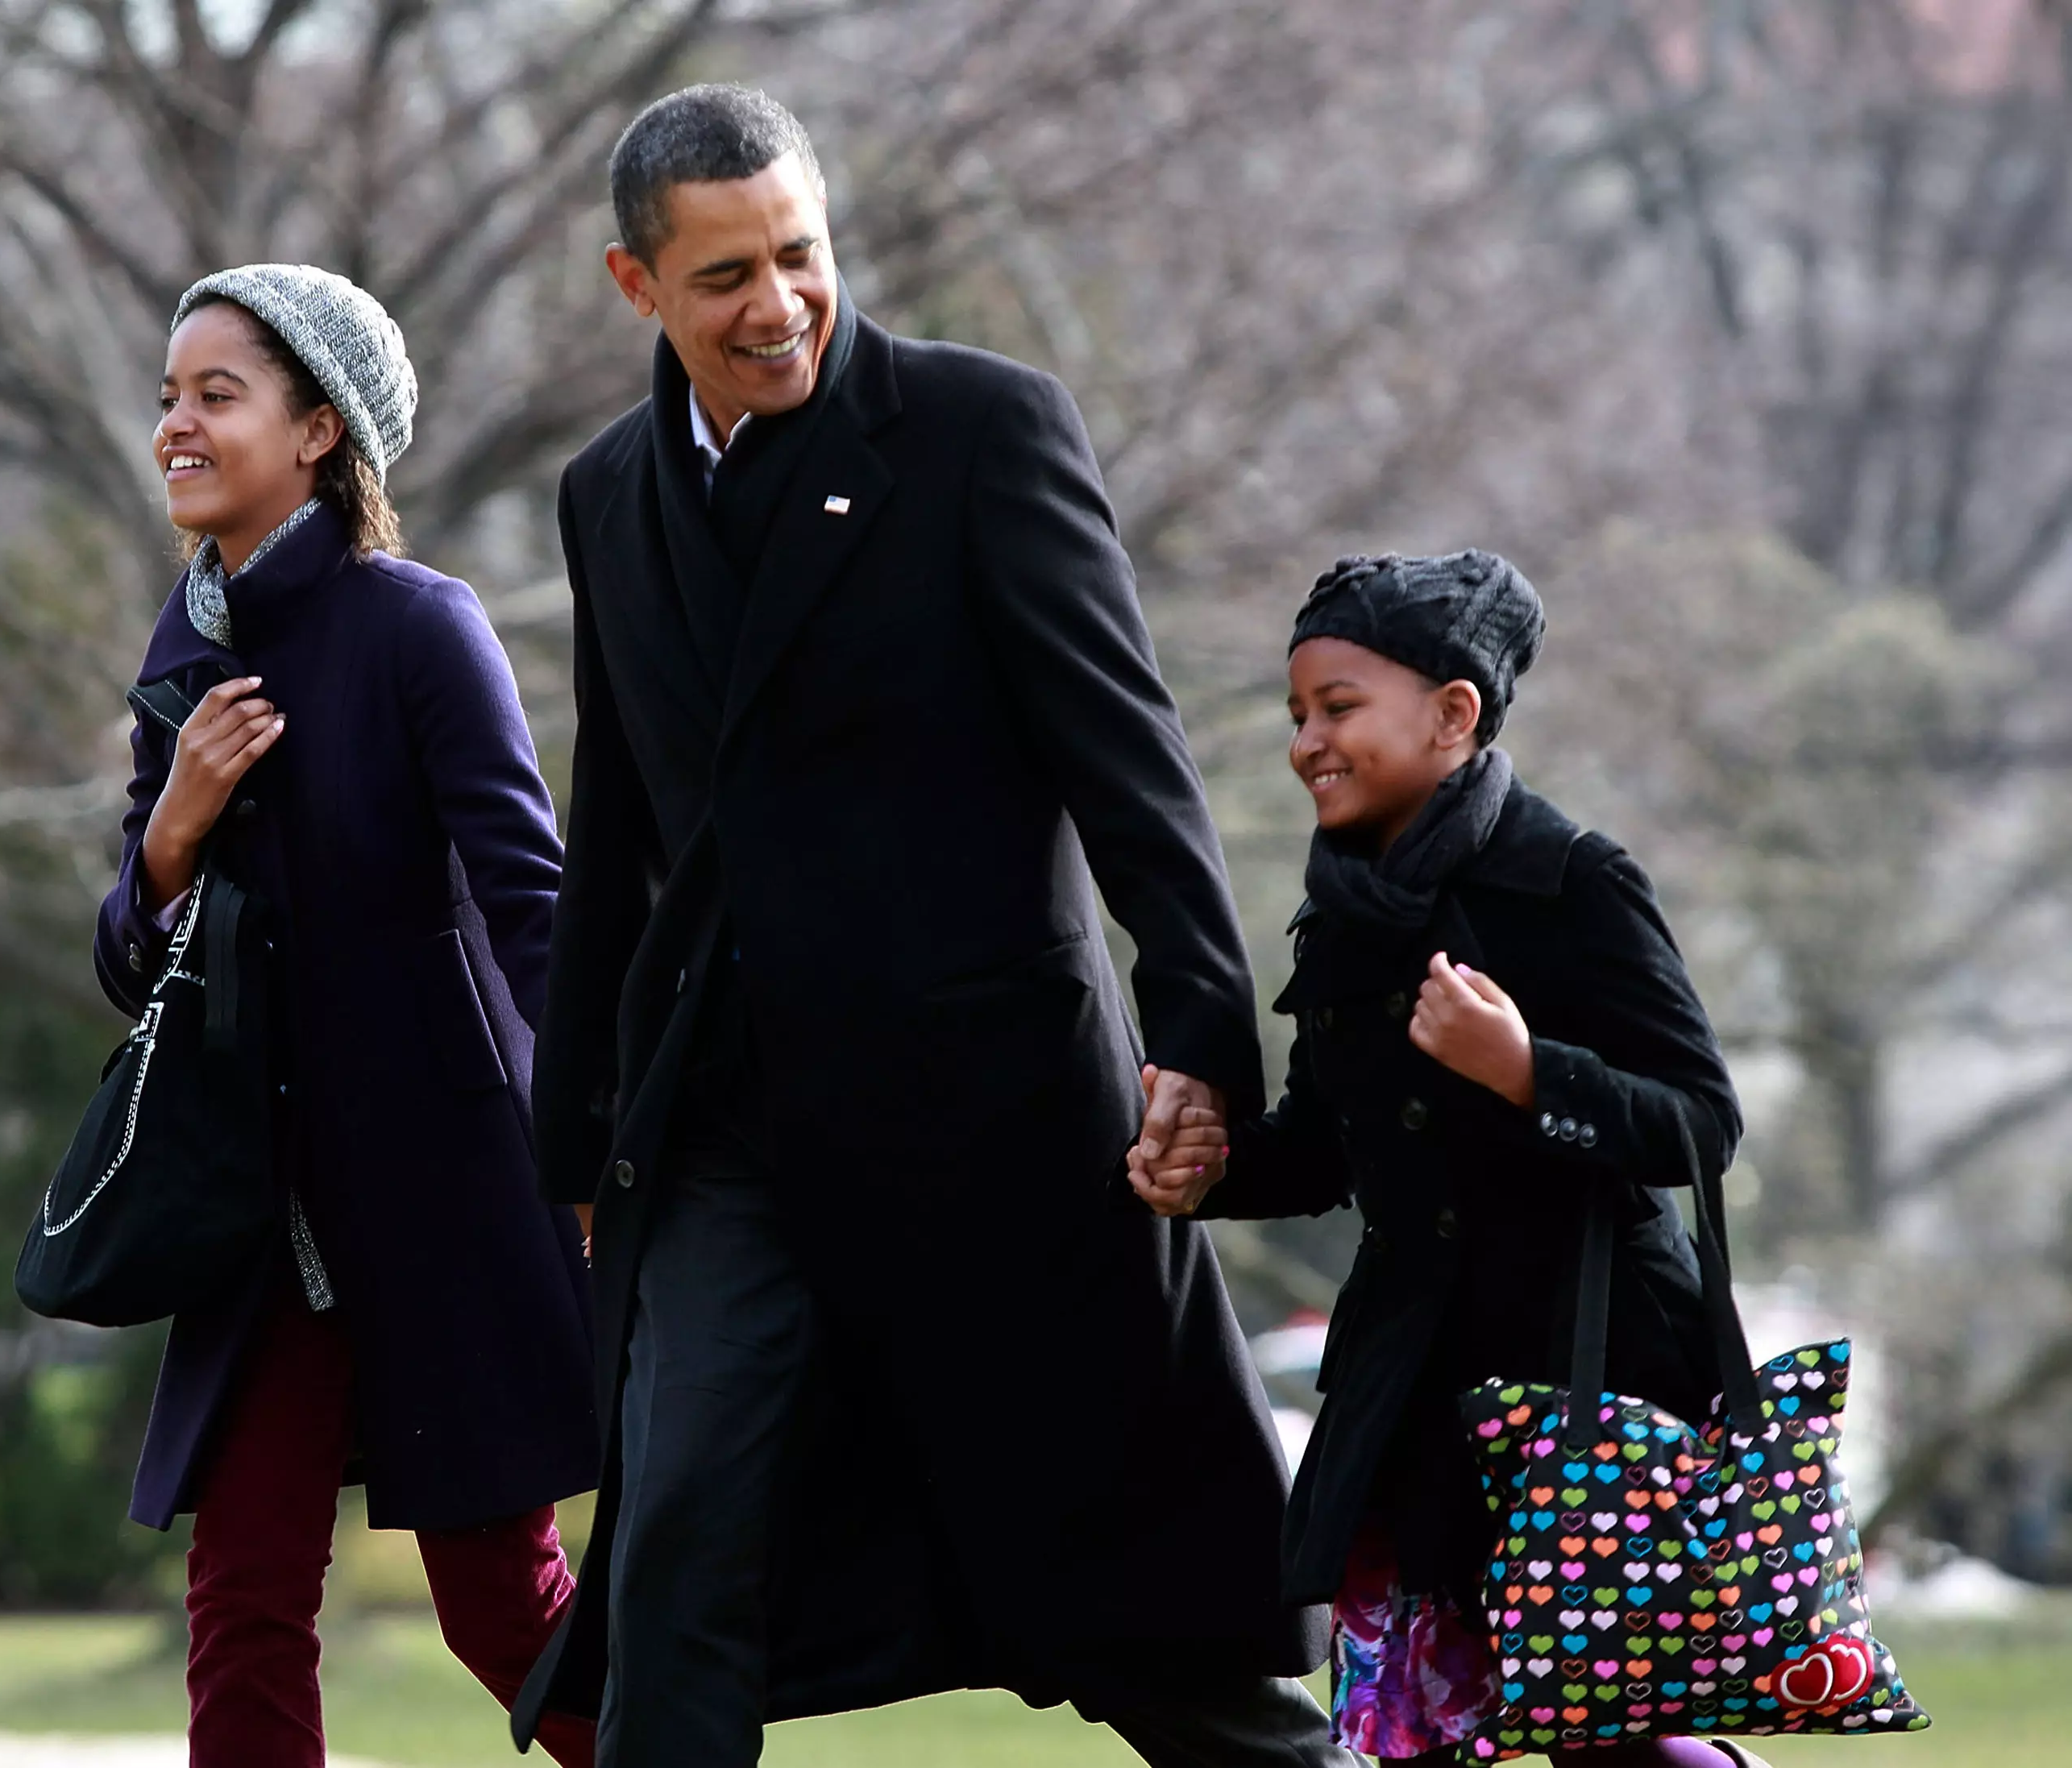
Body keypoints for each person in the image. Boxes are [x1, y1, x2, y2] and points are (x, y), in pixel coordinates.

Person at [511, 83, 1357, 1768]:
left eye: (800, 255)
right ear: (637, 287)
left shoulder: (982, 431)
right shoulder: (608, 494)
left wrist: (1197, 1037)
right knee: (677, 1542)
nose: (777, 307)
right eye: (726, 276)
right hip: (733, 1130)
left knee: (1123, 1599)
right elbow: (622, 831)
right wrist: (578, 1139)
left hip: (1000, 1123)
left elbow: (1130, 761)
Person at [1128, 552, 1767, 1768]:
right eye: (1297, 715)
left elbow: (1700, 1123)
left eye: (1340, 708)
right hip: (1415, 1406)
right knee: (1414, 1733)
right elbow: (1323, 1154)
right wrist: (1208, 1172)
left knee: (1618, 1738)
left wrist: (1528, 1071)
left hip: (1591, 1391)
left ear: (1453, 713)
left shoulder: (1572, 880)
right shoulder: (1341, 911)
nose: (1309, 739)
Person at [93, 264, 600, 1768]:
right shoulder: (180, 658)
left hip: (442, 1192)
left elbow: (535, 906)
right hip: (259, 1216)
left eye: (216, 393)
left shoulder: (421, 626)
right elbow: (130, 957)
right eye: (169, 394)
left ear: (320, 429)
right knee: (243, 1597)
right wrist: (173, 827)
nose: (177, 422)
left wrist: (587, 1143)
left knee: (499, 1607)